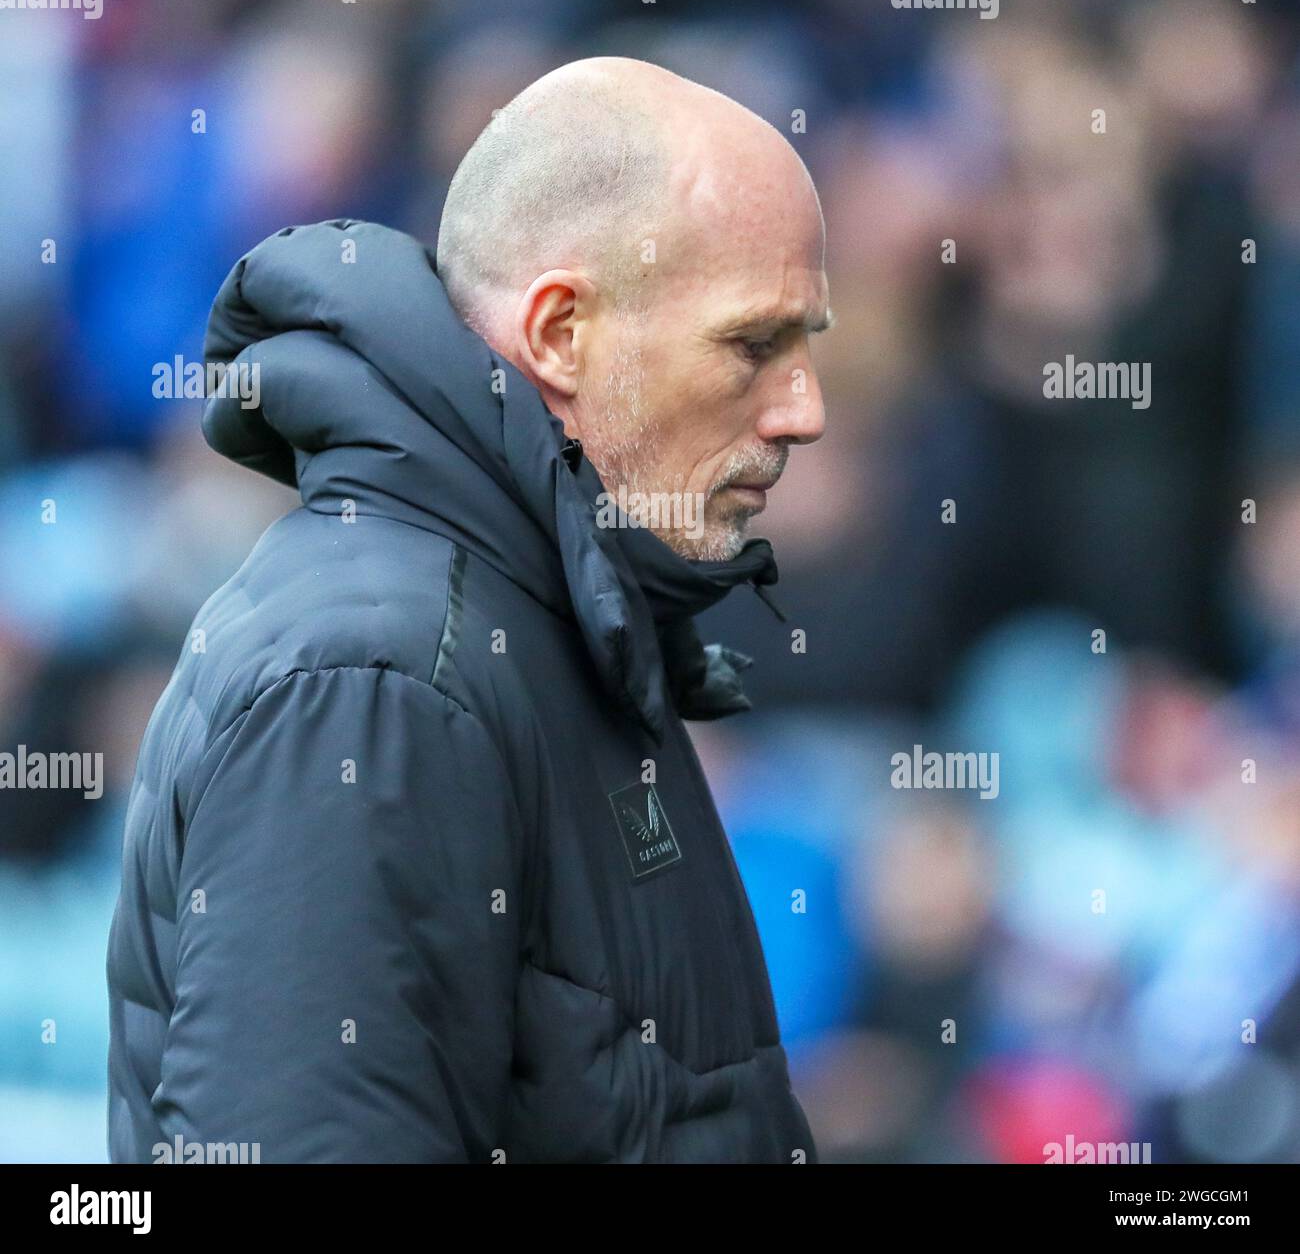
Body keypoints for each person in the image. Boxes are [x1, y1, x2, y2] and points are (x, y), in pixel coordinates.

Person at [107, 57, 830, 1162]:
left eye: (805, 345)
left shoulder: (553, 627)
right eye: (752, 344)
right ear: (558, 334)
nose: (803, 410)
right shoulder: (376, 679)